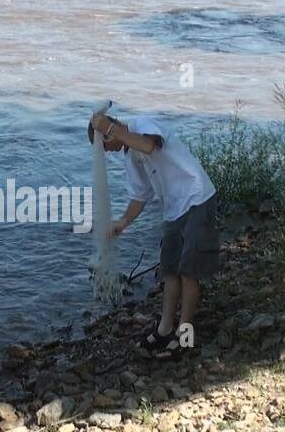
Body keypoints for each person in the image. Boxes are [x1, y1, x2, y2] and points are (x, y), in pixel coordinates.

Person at [88, 112, 219, 357]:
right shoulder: (130, 156)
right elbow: (140, 195)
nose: (106, 152)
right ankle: (164, 329)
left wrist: (111, 128)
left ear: (110, 131)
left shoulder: (142, 124)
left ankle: (185, 336)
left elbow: (149, 144)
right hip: (172, 209)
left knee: (189, 273)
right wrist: (122, 222)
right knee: (170, 271)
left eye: (103, 145)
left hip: (197, 197)